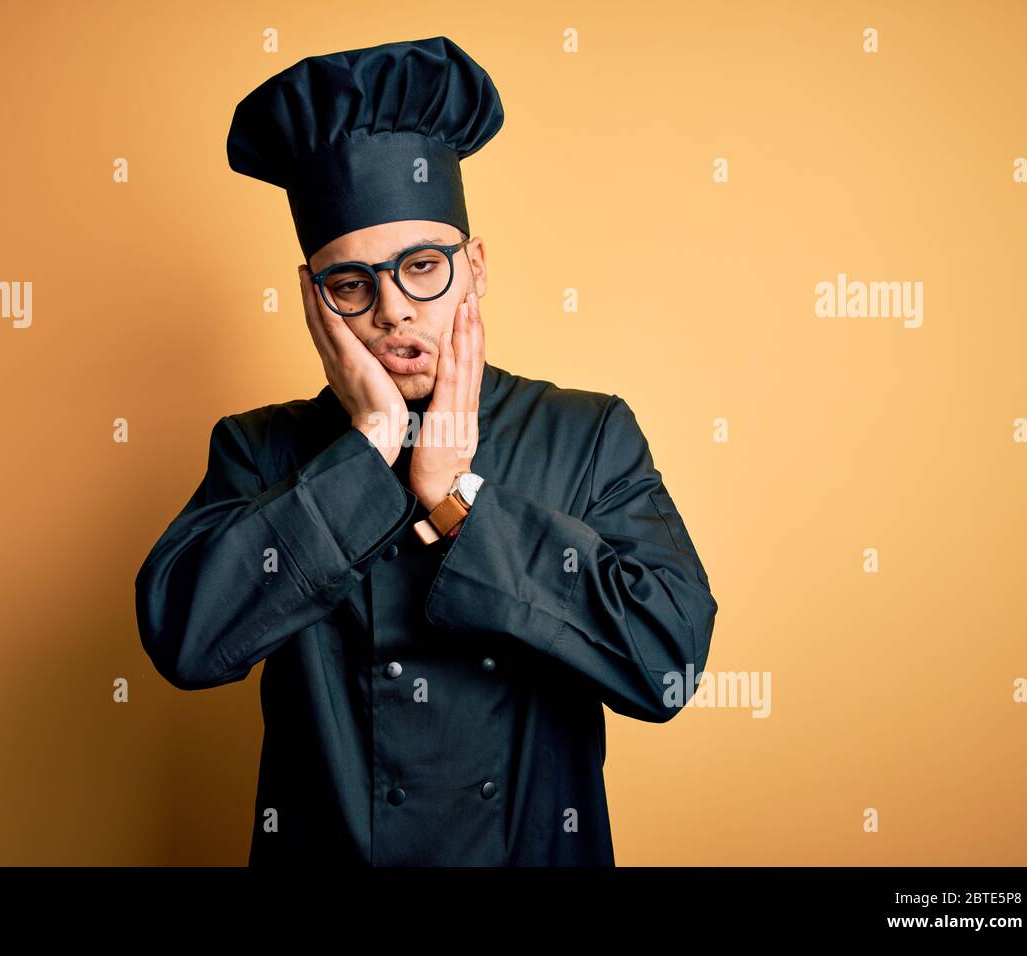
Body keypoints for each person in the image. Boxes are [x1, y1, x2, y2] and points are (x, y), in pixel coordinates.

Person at [134, 36, 718, 866]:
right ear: (313, 297)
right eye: (351, 284)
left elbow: (670, 664)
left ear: (474, 267)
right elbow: (185, 642)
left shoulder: (586, 434)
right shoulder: (259, 447)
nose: (393, 311)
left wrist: (454, 498)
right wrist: (369, 448)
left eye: (421, 267)